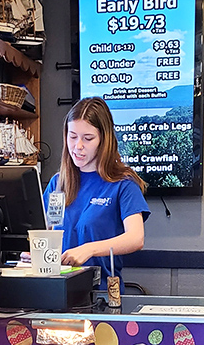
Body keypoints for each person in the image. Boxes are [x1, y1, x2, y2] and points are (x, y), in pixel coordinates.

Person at [43, 97, 149, 292]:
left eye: (88, 138)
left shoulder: (123, 184)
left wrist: (90, 249)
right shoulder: (58, 184)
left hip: (101, 295)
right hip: (56, 293)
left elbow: (136, 238)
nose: (78, 146)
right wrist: (36, 252)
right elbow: (47, 231)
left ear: (103, 140)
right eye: (72, 137)